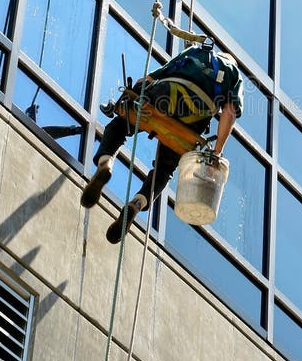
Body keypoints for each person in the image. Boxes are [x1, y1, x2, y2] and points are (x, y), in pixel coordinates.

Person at [81, 44, 244, 242]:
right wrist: (217, 153)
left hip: (165, 94)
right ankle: (137, 203)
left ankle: (106, 163)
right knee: (165, 169)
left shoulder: (197, 51)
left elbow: (151, 77)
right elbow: (229, 111)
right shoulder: (234, 74)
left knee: (119, 126)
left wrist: (134, 94)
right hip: (193, 118)